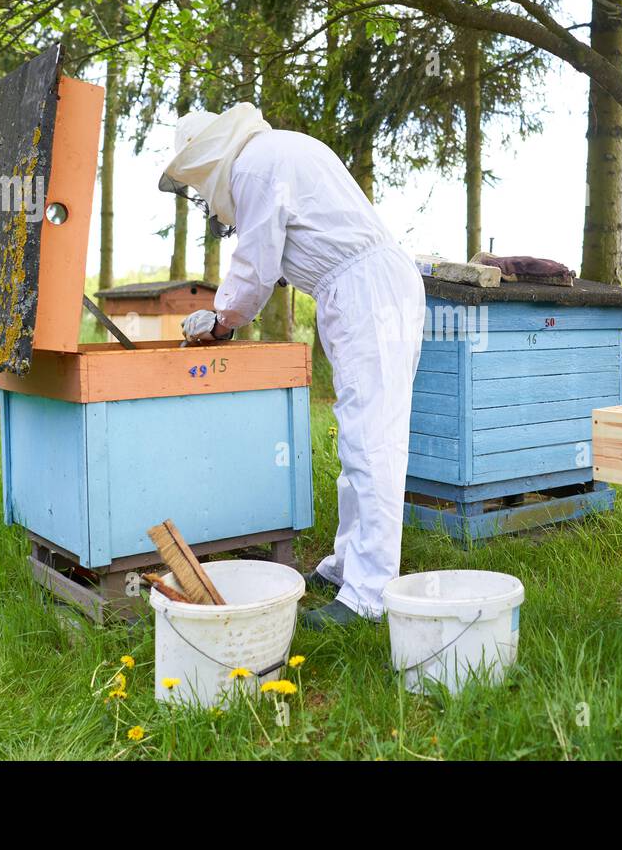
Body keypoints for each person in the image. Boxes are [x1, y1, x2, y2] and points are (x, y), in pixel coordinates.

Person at [160, 103, 425, 629]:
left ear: (207, 160)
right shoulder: (279, 150)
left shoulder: (255, 166)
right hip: (362, 289)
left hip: (366, 293)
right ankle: (349, 565)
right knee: (358, 437)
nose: (202, 197)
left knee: (373, 441)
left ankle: (370, 596)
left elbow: (254, 267)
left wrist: (221, 320)